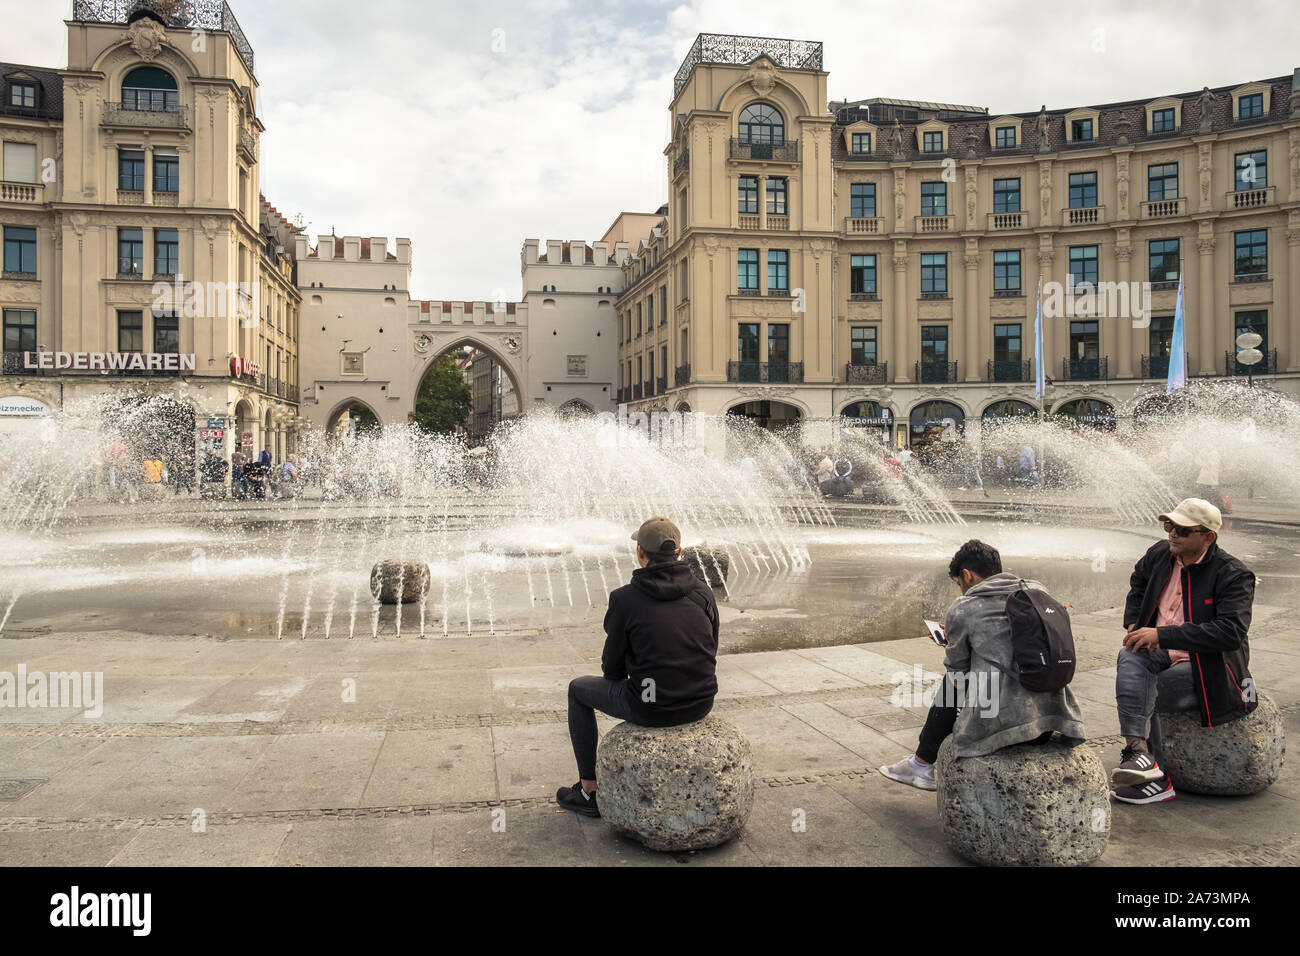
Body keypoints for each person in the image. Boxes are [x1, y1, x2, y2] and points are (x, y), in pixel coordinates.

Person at [879, 539, 1086, 790]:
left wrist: (953, 639)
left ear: (967, 575)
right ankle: (920, 763)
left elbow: (958, 669)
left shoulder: (965, 607)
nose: (961, 591)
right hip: (1053, 721)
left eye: (959, 584)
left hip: (1003, 725)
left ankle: (921, 763)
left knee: (953, 682)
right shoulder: (1038, 594)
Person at [556, 516, 719, 817]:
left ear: (641, 553)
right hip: (701, 702)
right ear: (679, 551)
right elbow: (711, 648)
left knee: (578, 689)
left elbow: (612, 669)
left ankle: (588, 790)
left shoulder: (625, 599)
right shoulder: (702, 593)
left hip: (650, 706)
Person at [1110, 498, 1256, 805]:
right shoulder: (1160, 555)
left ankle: (1158, 778)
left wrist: (1162, 634)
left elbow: (1230, 632)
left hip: (1208, 667)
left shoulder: (1233, 574)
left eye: (1183, 530)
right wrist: (1134, 624)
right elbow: (1138, 582)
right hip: (1162, 651)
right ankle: (1138, 752)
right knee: (1130, 658)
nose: (1172, 534)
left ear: (1208, 537)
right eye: (1169, 526)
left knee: (1147, 689)